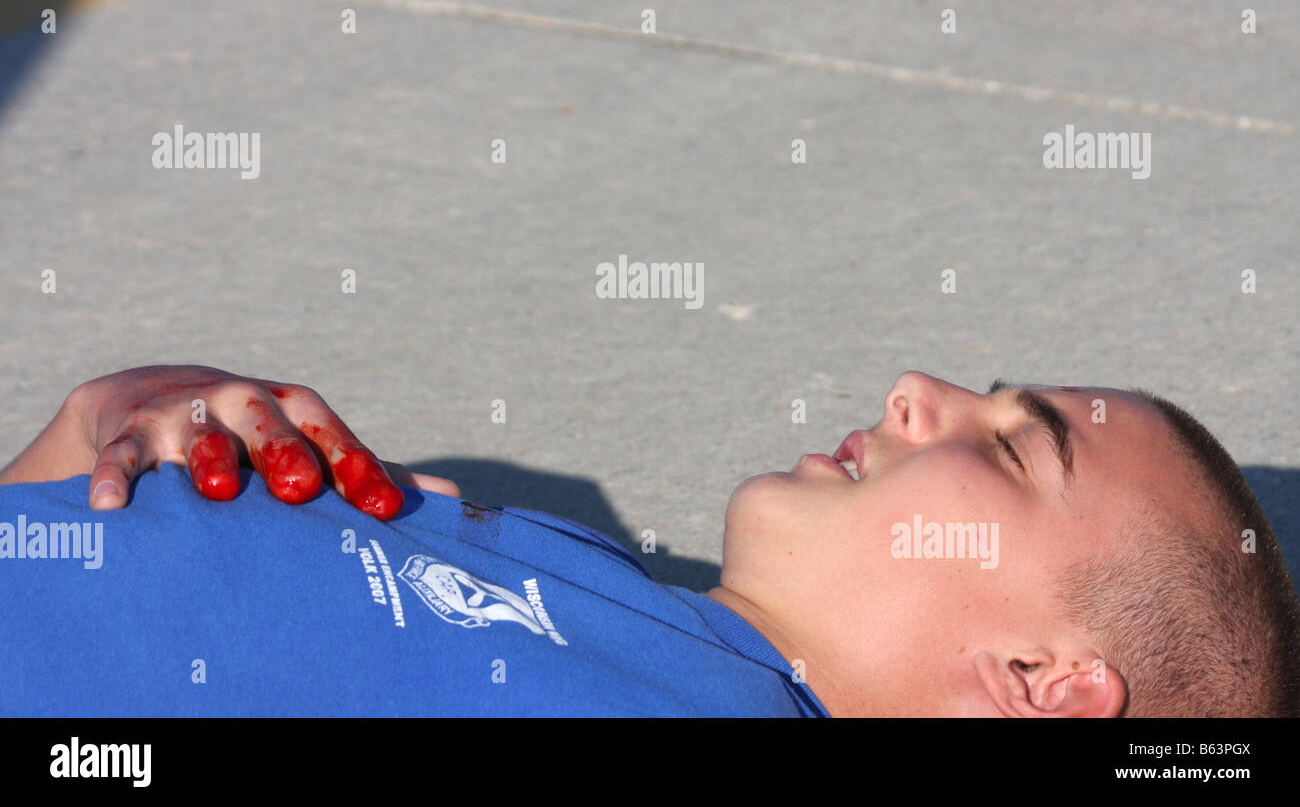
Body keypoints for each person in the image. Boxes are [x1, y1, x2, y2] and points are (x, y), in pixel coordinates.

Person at [1, 365, 1296, 716]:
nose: (916, 391)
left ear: (1041, 684)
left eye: (1013, 447)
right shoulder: (609, 589)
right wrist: (108, 421)